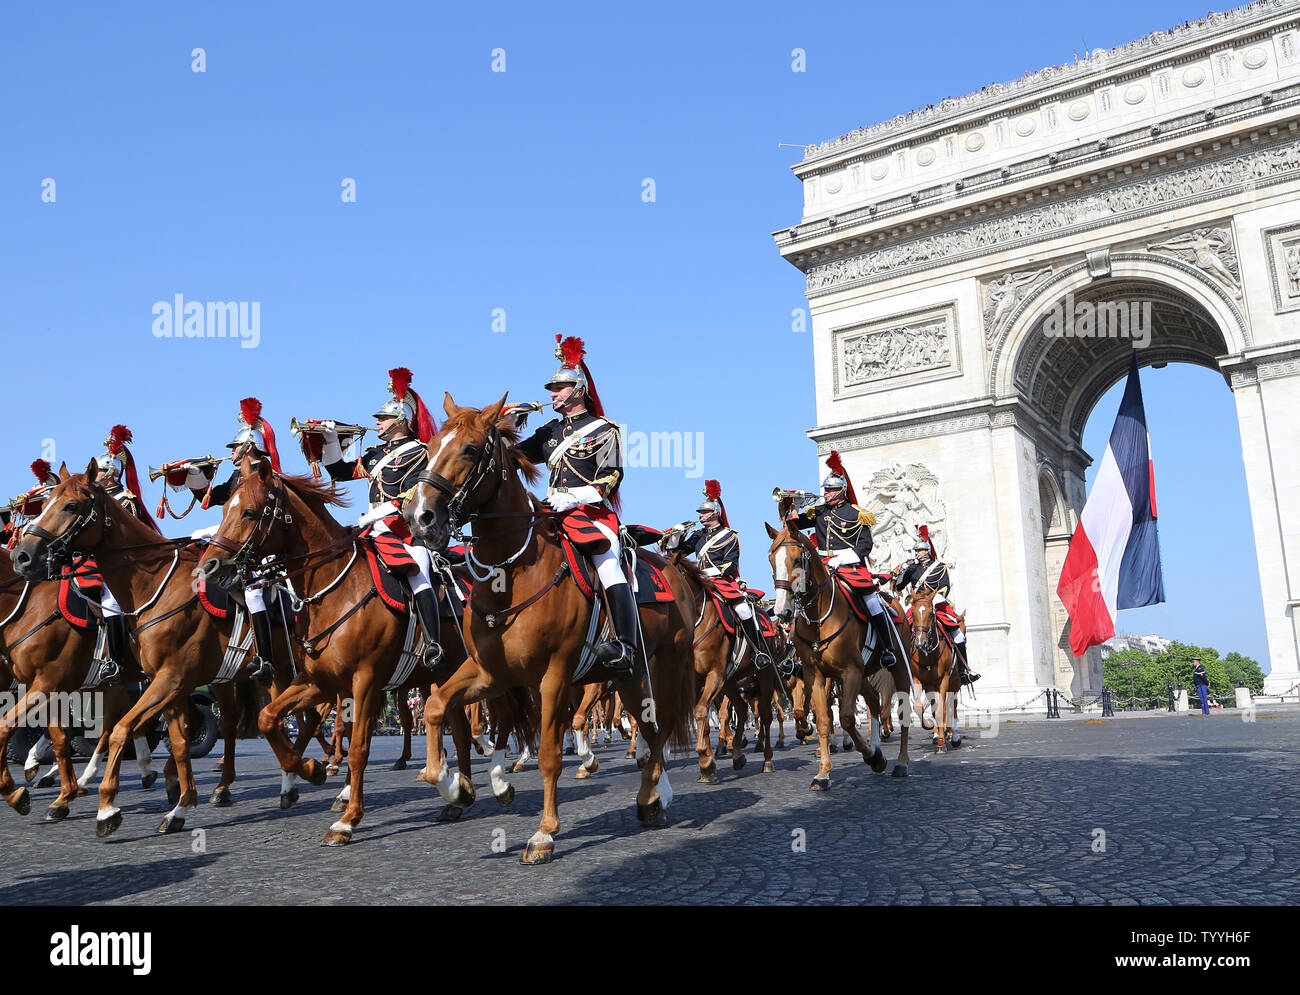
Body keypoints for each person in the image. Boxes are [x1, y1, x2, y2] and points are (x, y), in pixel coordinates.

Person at [516, 335, 637, 679]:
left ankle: (625, 644)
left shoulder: (604, 430)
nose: (552, 393)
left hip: (590, 514)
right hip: (553, 513)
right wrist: (507, 424)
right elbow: (512, 458)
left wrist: (577, 496)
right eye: (552, 388)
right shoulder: (548, 433)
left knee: (609, 565)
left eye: (559, 387)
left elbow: (612, 476)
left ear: (578, 390)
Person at [318, 367, 445, 670]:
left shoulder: (423, 452)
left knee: (419, 573)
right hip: (372, 527)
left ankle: (434, 643)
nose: (377, 421)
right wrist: (331, 439)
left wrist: (391, 508)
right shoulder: (375, 454)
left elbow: (422, 491)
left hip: (406, 529)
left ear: (401, 421)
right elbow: (339, 473)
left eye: (383, 418)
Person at [188, 398, 284, 683]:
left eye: (234, 447)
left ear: (248, 448)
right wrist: (193, 477)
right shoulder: (235, 476)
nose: (229, 452)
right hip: (235, 545)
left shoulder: (265, 476)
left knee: (253, 591)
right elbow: (214, 499)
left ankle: (266, 657)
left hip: (259, 549)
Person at [787, 450, 896, 672]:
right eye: (826, 489)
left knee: (873, 602)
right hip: (822, 565)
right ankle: (793, 654)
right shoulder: (817, 511)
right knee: (797, 592)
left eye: (832, 489)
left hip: (849, 567)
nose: (827, 493)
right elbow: (793, 527)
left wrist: (841, 558)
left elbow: (865, 545)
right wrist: (794, 506)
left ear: (842, 491)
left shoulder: (857, 514)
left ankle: (887, 649)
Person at [665, 479, 772, 667]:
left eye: (704, 512)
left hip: (721, 580)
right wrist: (674, 536)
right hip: (700, 580)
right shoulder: (698, 535)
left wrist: (703, 572)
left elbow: (730, 565)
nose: (701, 515)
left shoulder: (730, 535)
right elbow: (676, 555)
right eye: (700, 512)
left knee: (743, 609)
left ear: (715, 513)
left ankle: (758, 651)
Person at [87, 427, 162, 685]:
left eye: (97, 472)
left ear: (109, 475)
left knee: (110, 602)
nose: (94, 477)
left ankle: (116, 661)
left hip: (126, 566)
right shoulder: (96, 501)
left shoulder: (125, 499)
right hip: (102, 563)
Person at [893, 527, 980, 686]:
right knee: (900, 629)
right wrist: (902, 572)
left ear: (927, 552)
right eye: (916, 551)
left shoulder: (940, 567)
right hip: (918, 605)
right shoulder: (913, 568)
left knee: (958, 635)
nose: (917, 553)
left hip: (937, 604)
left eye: (919, 550)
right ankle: (900, 667)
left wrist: (933, 600)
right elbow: (898, 587)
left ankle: (964, 670)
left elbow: (945, 587)